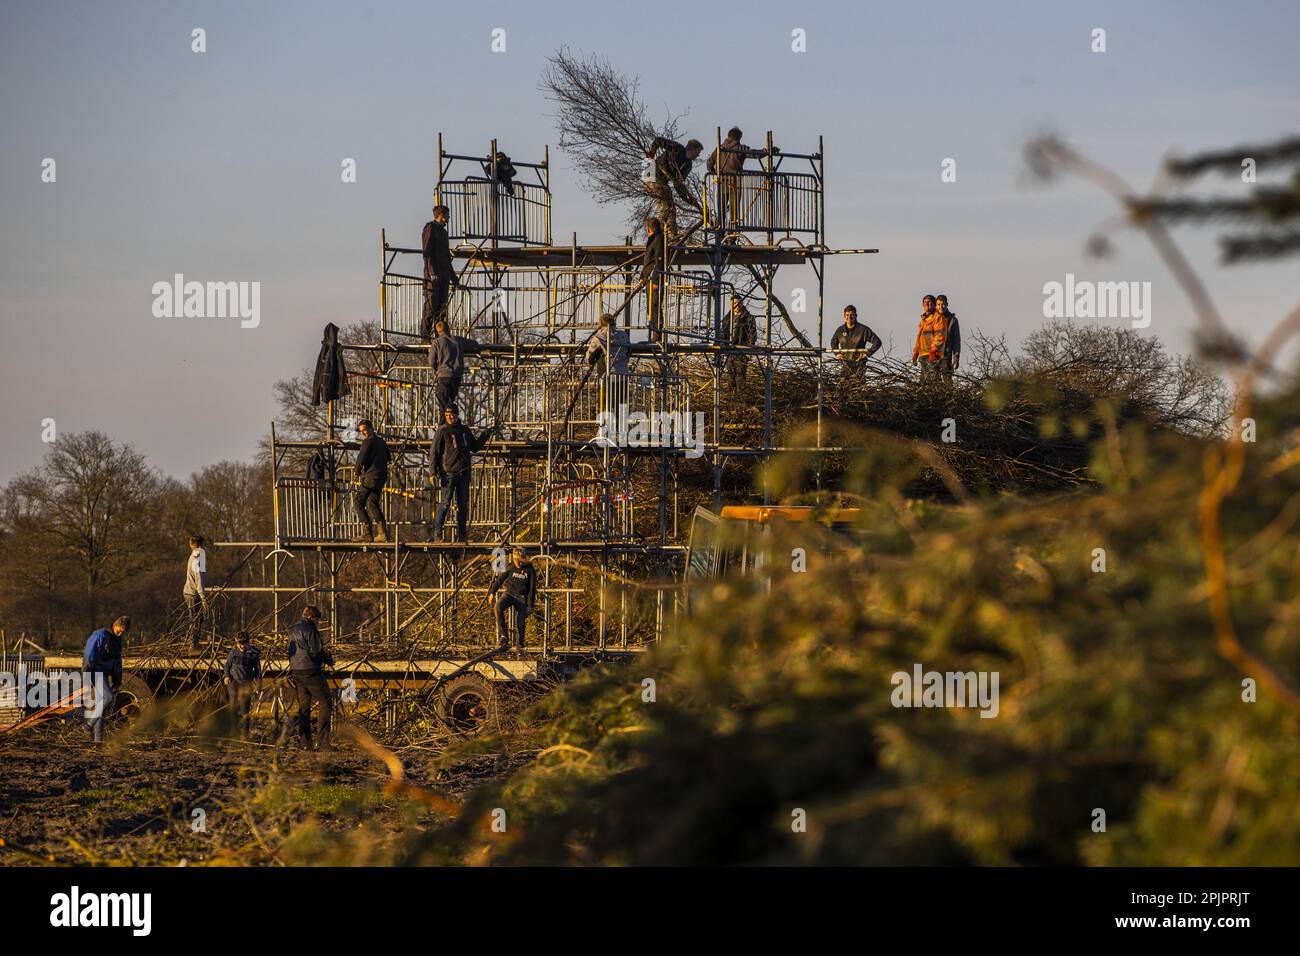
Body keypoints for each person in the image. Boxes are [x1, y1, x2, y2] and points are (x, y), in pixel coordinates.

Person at [429, 404, 496, 543]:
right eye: (447, 415)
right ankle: (437, 533)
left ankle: (462, 536)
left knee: (463, 505)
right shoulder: (442, 431)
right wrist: (432, 472)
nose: (449, 417)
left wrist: (486, 434)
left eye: (452, 414)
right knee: (446, 502)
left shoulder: (464, 430)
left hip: (464, 471)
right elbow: (434, 452)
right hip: (449, 473)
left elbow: (475, 447)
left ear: (457, 415)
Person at [283, 606, 334, 752]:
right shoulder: (310, 629)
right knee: (325, 702)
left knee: (304, 708)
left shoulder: (292, 629)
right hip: (311, 670)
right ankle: (323, 742)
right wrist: (327, 660)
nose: (318, 623)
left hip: (297, 671)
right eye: (317, 620)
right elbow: (316, 650)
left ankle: (305, 742)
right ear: (312, 618)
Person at [706, 127, 771, 229]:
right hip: (734, 183)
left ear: (728, 136)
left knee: (721, 209)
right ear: (739, 138)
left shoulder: (719, 148)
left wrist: (714, 173)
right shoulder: (739, 148)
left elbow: (709, 163)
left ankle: (720, 232)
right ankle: (732, 234)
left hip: (721, 181)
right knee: (734, 210)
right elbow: (754, 154)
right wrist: (766, 151)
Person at [644, 136, 703, 242]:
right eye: (697, 152)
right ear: (692, 149)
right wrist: (651, 152)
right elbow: (658, 140)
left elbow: (678, 186)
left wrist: (689, 200)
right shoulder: (677, 148)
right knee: (667, 205)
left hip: (662, 182)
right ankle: (659, 234)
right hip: (651, 174)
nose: (698, 155)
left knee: (671, 208)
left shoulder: (688, 165)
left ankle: (669, 236)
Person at [82, 616, 129, 744]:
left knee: (100, 707)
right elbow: (90, 652)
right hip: (95, 671)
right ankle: (88, 725)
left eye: (123, 633)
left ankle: (98, 742)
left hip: (104, 673)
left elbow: (117, 661)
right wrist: (87, 671)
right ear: (114, 625)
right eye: (119, 631)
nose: (120, 634)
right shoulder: (101, 635)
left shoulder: (117, 641)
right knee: (109, 698)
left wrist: (117, 679)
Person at [420, 204, 460, 341]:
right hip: (433, 276)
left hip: (444, 275)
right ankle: (425, 336)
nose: (449, 218)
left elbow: (446, 258)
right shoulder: (430, 228)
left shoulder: (443, 232)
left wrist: (454, 279)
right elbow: (427, 254)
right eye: (447, 215)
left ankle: (440, 336)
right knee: (431, 306)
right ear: (441, 215)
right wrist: (431, 272)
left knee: (442, 308)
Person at [486, 547, 537, 650]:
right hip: (509, 594)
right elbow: (499, 580)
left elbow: (532, 589)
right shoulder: (510, 567)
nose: (518, 563)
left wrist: (530, 606)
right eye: (516, 560)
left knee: (520, 621)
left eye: (520, 561)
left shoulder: (530, 569)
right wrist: (492, 593)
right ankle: (504, 636)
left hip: (522, 598)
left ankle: (520, 644)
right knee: (497, 607)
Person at [354, 419, 390, 542]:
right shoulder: (382, 442)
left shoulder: (367, 442)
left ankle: (367, 533)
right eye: (361, 431)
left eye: (365, 429)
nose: (364, 432)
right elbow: (388, 458)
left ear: (371, 428)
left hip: (370, 477)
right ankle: (382, 533)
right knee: (372, 503)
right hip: (381, 477)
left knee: (358, 502)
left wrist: (357, 471)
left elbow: (360, 460)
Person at [222, 630, 262, 739]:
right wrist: (226, 676)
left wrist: (258, 686)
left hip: (246, 683)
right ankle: (233, 732)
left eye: (244, 644)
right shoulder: (233, 653)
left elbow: (258, 671)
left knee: (245, 709)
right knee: (233, 708)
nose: (242, 647)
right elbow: (227, 667)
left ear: (248, 642)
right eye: (239, 644)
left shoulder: (254, 654)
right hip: (233, 682)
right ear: (236, 642)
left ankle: (245, 733)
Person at [830, 305, 883, 382]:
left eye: (852, 315)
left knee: (858, 386)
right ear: (844, 316)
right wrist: (837, 353)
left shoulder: (863, 330)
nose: (849, 317)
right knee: (841, 384)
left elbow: (877, 342)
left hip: (859, 364)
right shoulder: (840, 330)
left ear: (856, 315)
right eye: (847, 315)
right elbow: (833, 342)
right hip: (846, 364)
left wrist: (868, 353)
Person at [429, 318, 472, 414]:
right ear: (448, 329)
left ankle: (445, 426)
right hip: (456, 376)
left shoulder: (437, 342)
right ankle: (450, 424)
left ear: (437, 331)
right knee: (450, 403)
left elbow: (431, 361)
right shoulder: (458, 340)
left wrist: (436, 370)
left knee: (444, 406)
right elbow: (474, 344)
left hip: (443, 376)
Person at [640, 217, 668, 340]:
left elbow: (659, 260)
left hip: (654, 279)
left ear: (650, 228)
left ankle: (657, 333)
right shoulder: (653, 239)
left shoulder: (659, 239)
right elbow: (648, 261)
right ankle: (655, 331)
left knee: (655, 305)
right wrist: (642, 277)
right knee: (651, 307)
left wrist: (656, 280)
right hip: (649, 278)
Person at [911, 294, 948, 382]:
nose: (927, 304)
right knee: (923, 383)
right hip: (923, 354)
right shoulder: (924, 320)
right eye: (925, 302)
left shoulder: (938, 318)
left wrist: (933, 352)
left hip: (933, 356)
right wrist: (916, 352)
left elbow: (940, 336)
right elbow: (919, 337)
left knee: (933, 382)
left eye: (930, 302)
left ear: (934, 304)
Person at [724, 294, 758, 390]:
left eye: (739, 303)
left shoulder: (748, 318)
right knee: (730, 375)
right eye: (734, 303)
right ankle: (732, 399)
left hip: (742, 350)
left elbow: (753, 335)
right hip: (729, 351)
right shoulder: (727, 318)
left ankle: (740, 399)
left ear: (742, 304)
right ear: (731, 304)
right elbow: (722, 333)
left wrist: (749, 351)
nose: (736, 305)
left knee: (740, 375)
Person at [183, 535, 209, 649]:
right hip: (194, 593)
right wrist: (203, 598)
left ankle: (194, 642)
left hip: (190, 591)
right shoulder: (198, 559)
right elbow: (199, 579)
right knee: (196, 619)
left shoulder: (194, 555)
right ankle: (193, 644)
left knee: (197, 618)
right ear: (201, 545)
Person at [586, 312, 631, 377]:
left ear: (601, 324)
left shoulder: (599, 337)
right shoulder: (624, 335)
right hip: (623, 374)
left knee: (601, 356)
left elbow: (590, 357)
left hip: (606, 375)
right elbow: (628, 349)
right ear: (614, 323)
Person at [936, 294, 961, 380]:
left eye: (943, 304)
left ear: (947, 304)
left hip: (946, 355)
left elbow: (956, 340)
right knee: (933, 381)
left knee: (947, 380)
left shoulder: (953, 320)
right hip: (932, 355)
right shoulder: (931, 319)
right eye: (938, 304)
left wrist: (956, 357)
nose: (941, 307)